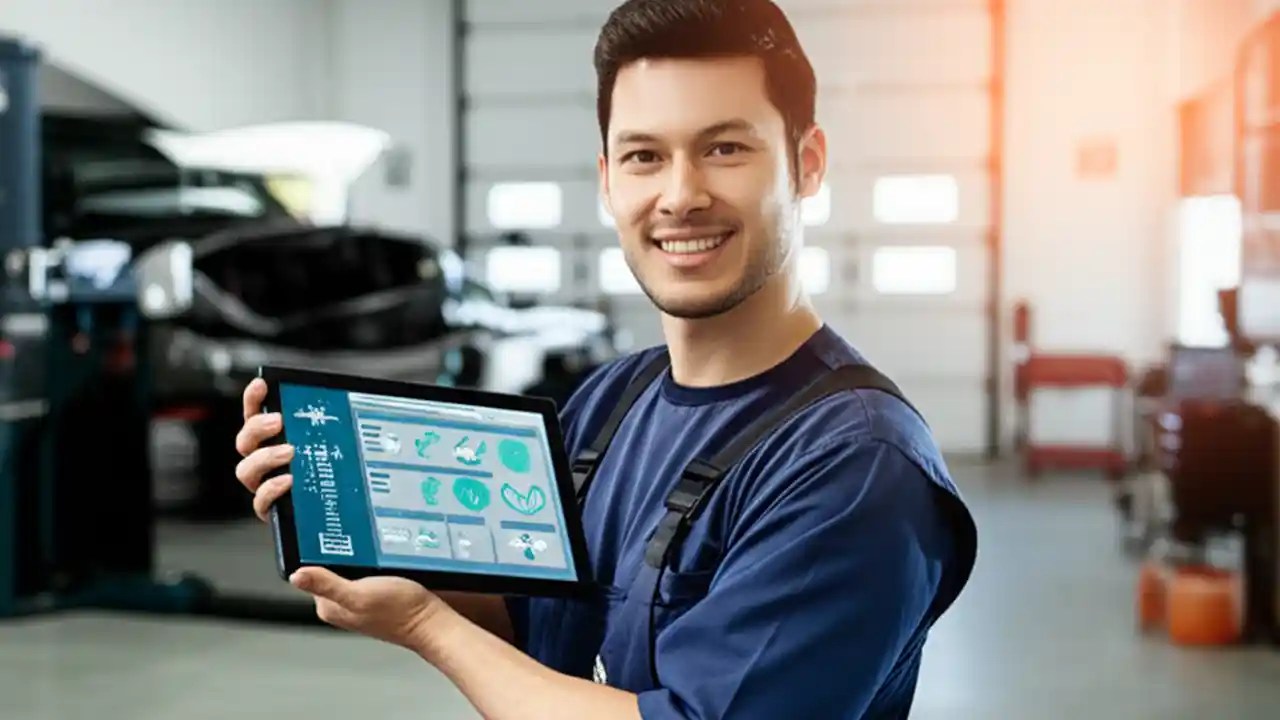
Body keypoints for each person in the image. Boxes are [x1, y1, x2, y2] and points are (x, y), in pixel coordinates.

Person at [234, 1, 978, 717]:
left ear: (806, 164)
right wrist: (363, 547)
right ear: (607, 179)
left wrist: (428, 627)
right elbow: (540, 621)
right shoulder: (612, 400)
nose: (680, 195)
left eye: (724, 148)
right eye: (644, 156)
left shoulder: (855, 466)